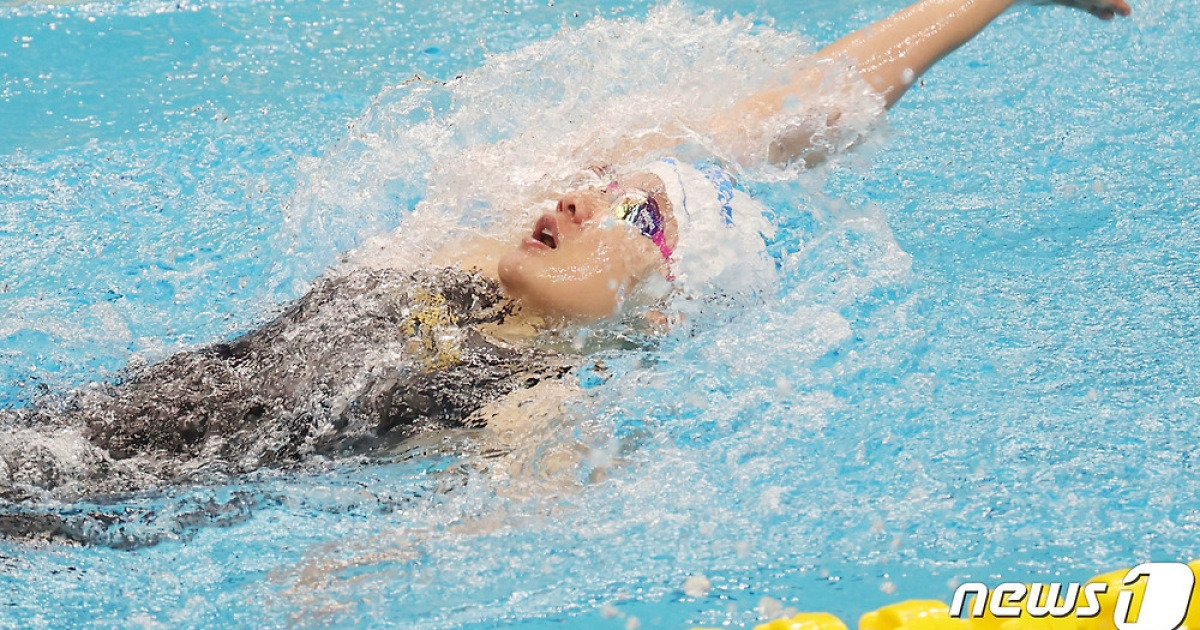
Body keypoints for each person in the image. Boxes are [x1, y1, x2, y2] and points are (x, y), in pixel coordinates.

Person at [0, 0, 1131, 542]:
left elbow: (482, 538)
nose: (578, 196)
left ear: (662, 293)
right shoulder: (458, 248)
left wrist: (345, 584)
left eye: (629, 210)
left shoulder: (529, 407)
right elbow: (809, 105)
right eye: (602, 184)